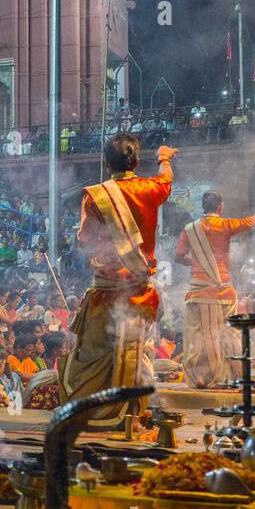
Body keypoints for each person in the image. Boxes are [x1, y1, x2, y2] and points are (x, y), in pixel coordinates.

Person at [60, 136, 174, 425]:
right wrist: (164, 157)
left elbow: (85, 238)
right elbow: (166, 179)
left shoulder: (96, 195)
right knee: (138, 353)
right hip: (139, 291)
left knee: (95, 353)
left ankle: (94, 410)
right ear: (136, 161)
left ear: (106, 163)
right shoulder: (151, 188)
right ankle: (135, 411)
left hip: (106, 290)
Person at [174, 182, 255, 388]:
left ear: (203, 207)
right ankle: (229, 375)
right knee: (228, 334)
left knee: (203, 337)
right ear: (221, 207)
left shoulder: (189, 229)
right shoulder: (226, 225)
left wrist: (197, 262)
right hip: (224, 291)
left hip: (199, 293)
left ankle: (205, 377)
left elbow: (179, 256)